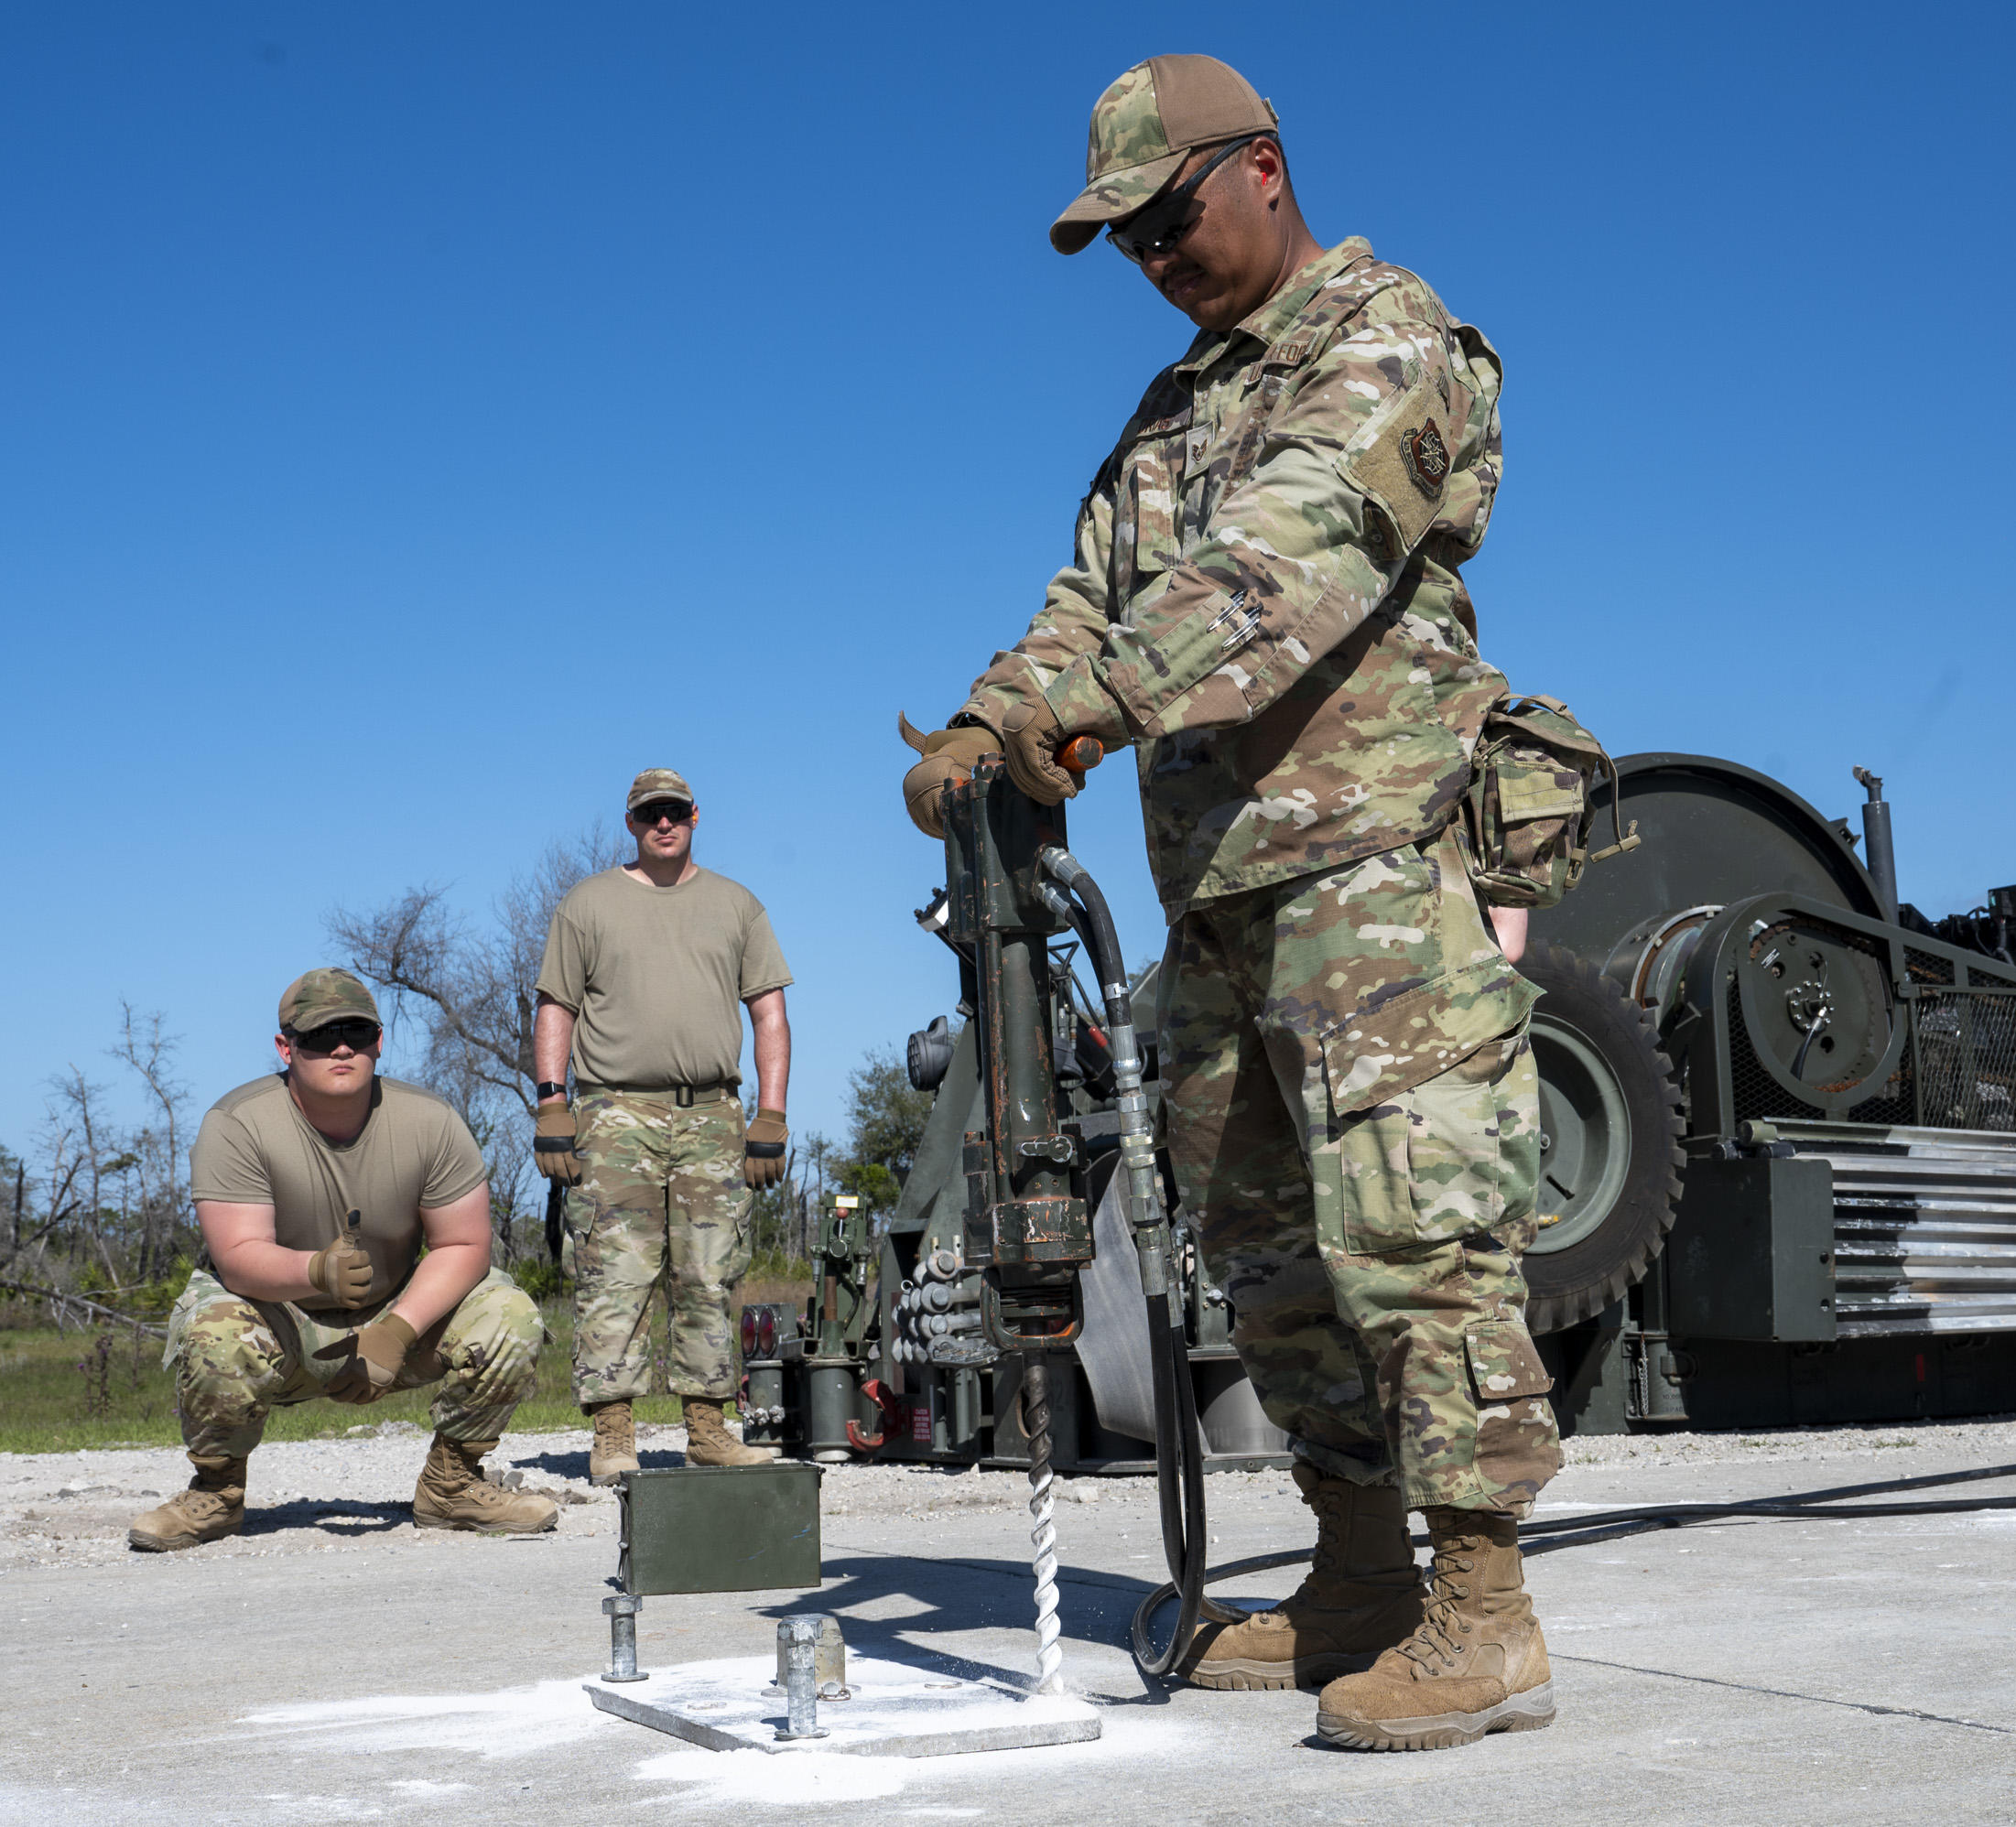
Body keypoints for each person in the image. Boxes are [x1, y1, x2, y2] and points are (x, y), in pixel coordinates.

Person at [899, 55, 1557, 1752]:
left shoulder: (1390, 336)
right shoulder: (1171, 411)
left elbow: (1294, 550)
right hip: (1214, 899)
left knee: (1415, 1238)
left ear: (1262, 167)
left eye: (1168, 215)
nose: (1153, 259)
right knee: (1266, 1262)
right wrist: (990, 719)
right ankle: (1354, 1578)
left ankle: (1486, 1610)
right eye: (1123, 241)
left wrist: (1088, 705)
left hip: (1374, 874)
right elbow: (1087, 593)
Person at [128, 968, 559, 1551]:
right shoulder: (237, 1123)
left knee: (510, 1314)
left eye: (356, 1032)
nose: (340, 1047)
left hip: (396, 1314)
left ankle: (452, 1483)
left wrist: (397, 1331)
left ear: (379, 1041)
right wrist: (314, 1270)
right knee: (214, 1327)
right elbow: (236, 1257)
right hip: (279, 1318)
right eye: (319, 1035)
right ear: (286, 1047)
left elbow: (464, 1245)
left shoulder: (431, 1122)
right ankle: (216, 1491)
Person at [531, 768, 795, 1486]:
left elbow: (768, 1013)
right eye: (650, 814)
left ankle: (708, 1431)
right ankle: (614, 1438)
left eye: (674, 812)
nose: (664, 824)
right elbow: (556, 1008)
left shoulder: (738, 905)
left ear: (696, 816)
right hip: (614, 1113)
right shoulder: (587, 904)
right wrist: (552, 1103)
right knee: (616, 1274)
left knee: (710, 1271)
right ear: (631, 824)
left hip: (713, 1115)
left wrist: (770, 1115)